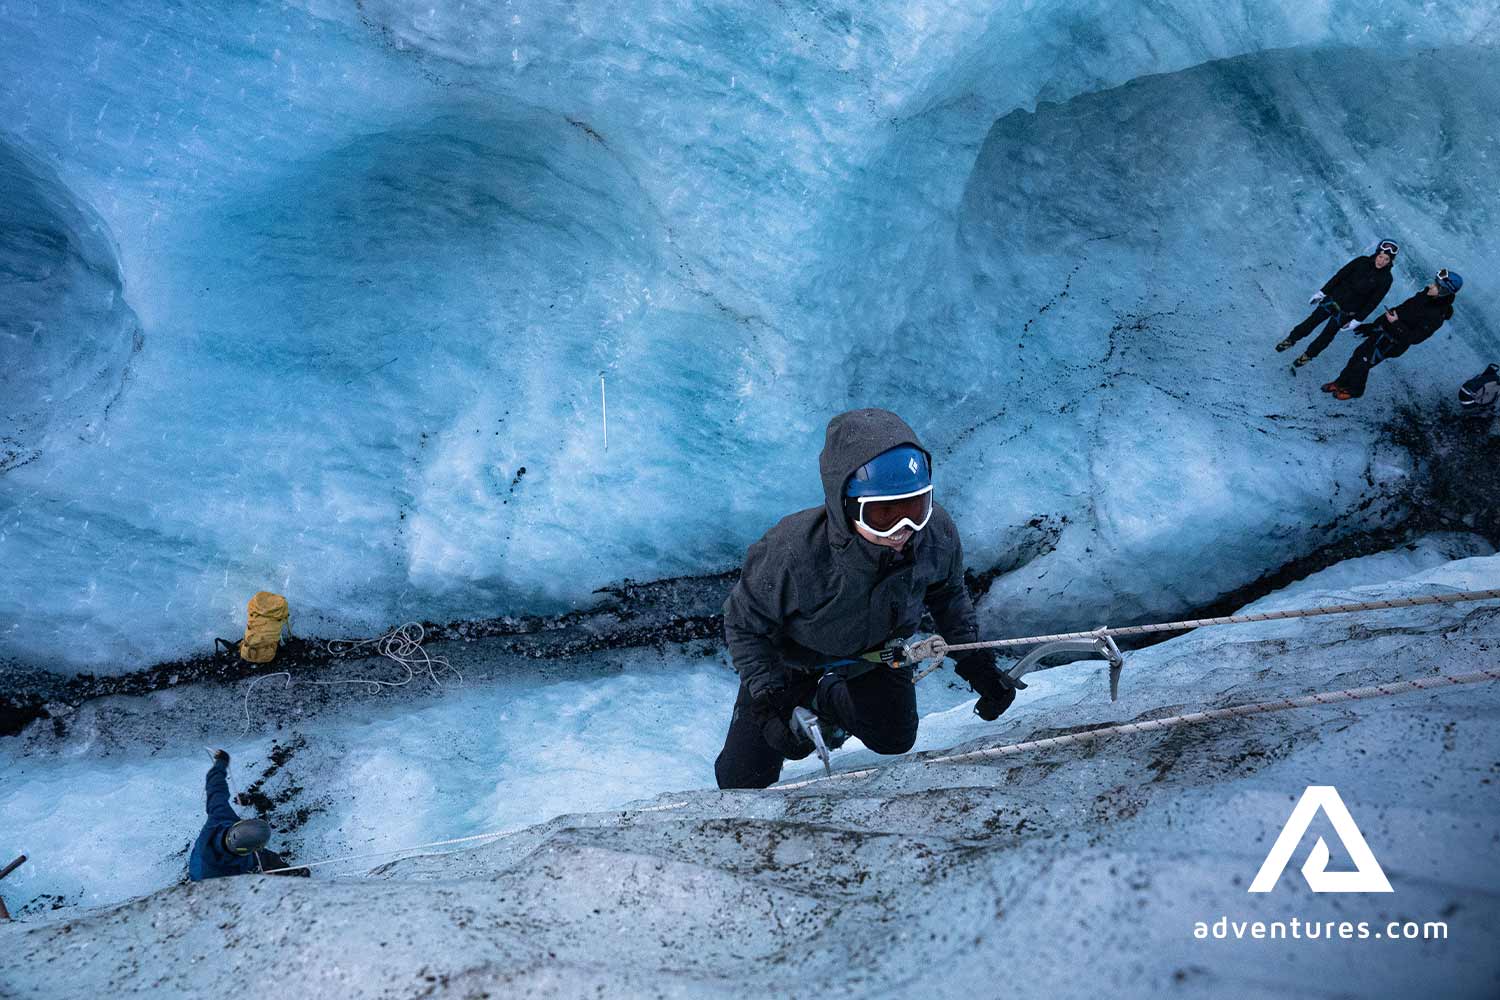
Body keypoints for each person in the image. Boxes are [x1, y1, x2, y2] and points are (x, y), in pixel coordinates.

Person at [714, 408, 1018, 790]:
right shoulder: (791, 552)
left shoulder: (935, 534)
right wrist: (771, 696)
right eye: (883, 514)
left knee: (894, 738)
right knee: (742, 780)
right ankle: (813, 696)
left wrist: (977, 663)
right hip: (791, 664)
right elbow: (743, 624)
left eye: (914, 509)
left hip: (875, 656)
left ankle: (829, 701)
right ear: (845, 506)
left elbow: (948, 596)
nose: (902, 530)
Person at [1322, 269, 1463, 401]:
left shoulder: (1437, 315)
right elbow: (1400, 309)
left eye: (1436, 285)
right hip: (1383, 332)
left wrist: (1395, 323)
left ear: (1443, 291)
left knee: (1363, 363)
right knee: (1357, 355)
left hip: (1392, 343)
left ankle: (1355, 390)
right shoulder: (1425, 295)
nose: (1431, 285)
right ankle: (1340, 382)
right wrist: (1374, 326)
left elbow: (1415, 338)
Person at [1276, 241, 1398, 367]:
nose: (1381, 261)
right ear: (1376, 254)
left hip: (1347, 312)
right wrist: (1322, 292)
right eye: (1380, 257)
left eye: (1386, 259)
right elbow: (1339, 276)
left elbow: (1373, 302)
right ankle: (1291, 339)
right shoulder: (1361, 261)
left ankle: (1309, 355)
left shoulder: (1386, 279)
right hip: (1332, 300)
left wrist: (1358, 319)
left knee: (1327, 335)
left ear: (1390, 261)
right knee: (1311, 322)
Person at [189, 749, 306, 880]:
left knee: (268, 858)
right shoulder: (211, 877)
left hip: (231, 861)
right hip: (209, 873)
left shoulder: (220, 816)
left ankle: (288, 873)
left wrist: (221, 763)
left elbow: (215, 788)